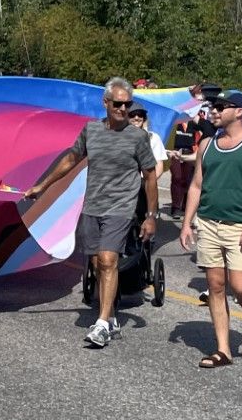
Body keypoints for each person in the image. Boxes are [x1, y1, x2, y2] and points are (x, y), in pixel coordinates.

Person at [20, 77, 158, 349]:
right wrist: (42, 186)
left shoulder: (138, 138)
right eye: (117, 103)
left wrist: (151, 215)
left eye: (127, 104)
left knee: (108, 260)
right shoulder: (91, 131)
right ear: (105, 103)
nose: (123, 109)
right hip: (93, 205)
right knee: (97, 263)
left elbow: (150, 176)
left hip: (121, 207)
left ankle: (103, 322)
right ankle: (113, 314)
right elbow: (72, 158)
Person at [180, 90, 242, 368]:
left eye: (222, 107)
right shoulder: (208, 144)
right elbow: (196, 185)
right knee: (216, 286)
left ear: (240, 112)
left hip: (240, 226)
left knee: (240, 286)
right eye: (213, 106)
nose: (215, 111)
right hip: (209, 223)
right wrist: (187, 223)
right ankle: (223, 350)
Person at [166, 86, 213, 218]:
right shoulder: (175, 118)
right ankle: (175, 207)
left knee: (187, 180)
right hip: (174, 151)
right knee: (177, 178)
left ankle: (185, 206)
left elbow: (202, 133)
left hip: (189, 150)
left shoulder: (195, 120)